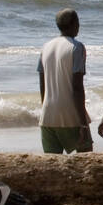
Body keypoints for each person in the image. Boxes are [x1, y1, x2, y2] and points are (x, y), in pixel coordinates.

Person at [38, 8, 92, 154]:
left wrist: (45, 108)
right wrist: (83, 124)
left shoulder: (45, 47)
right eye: (78, 22)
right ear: (74, 24)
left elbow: (42, 84)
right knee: (86, 161)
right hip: (70, 116)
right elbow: (77, 87)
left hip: (47, 116)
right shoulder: (76, 47)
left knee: (52, 168)